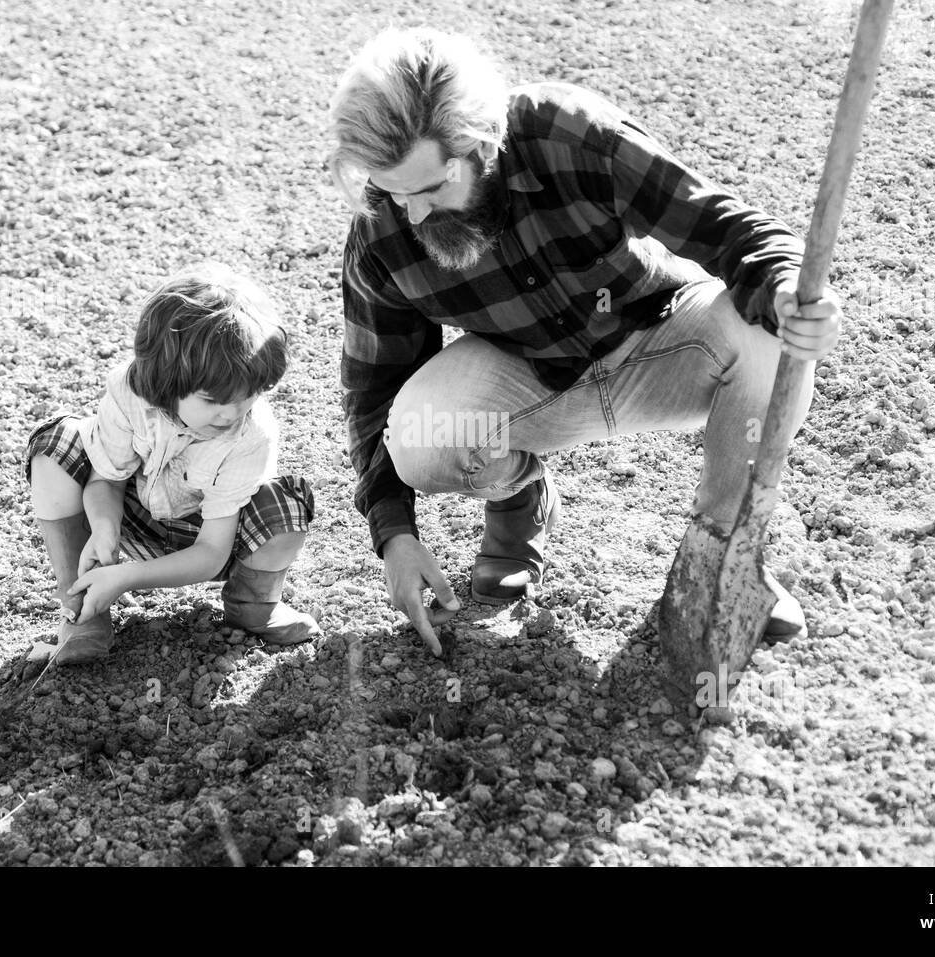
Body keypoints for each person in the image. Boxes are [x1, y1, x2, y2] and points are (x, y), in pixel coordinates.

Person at [328, 28, 844, 656]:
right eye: (395, 192)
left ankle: (725, 560)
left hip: (663, 339)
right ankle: (519, 498)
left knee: (767, 337)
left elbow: (729, 230)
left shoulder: (565, 133)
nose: (413, 215)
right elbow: (373, 391)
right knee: (417, 436)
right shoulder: (382, 233)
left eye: (433, 189)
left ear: (481, 142)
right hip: (535, 380)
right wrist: (396, 536)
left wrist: (789, 291)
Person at [24, 262, 320, 664]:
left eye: (246, 395)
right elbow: (105, 478)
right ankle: (81, 605)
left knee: (284, 505)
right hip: (138, 516)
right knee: (56, 444)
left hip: (210, 540)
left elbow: (212, 551)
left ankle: (254, 604)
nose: (231, 413)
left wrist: (127, 577)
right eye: (213, 400)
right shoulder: (130, 391)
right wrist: (105, 531)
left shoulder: (251, 435)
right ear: (167, 382)